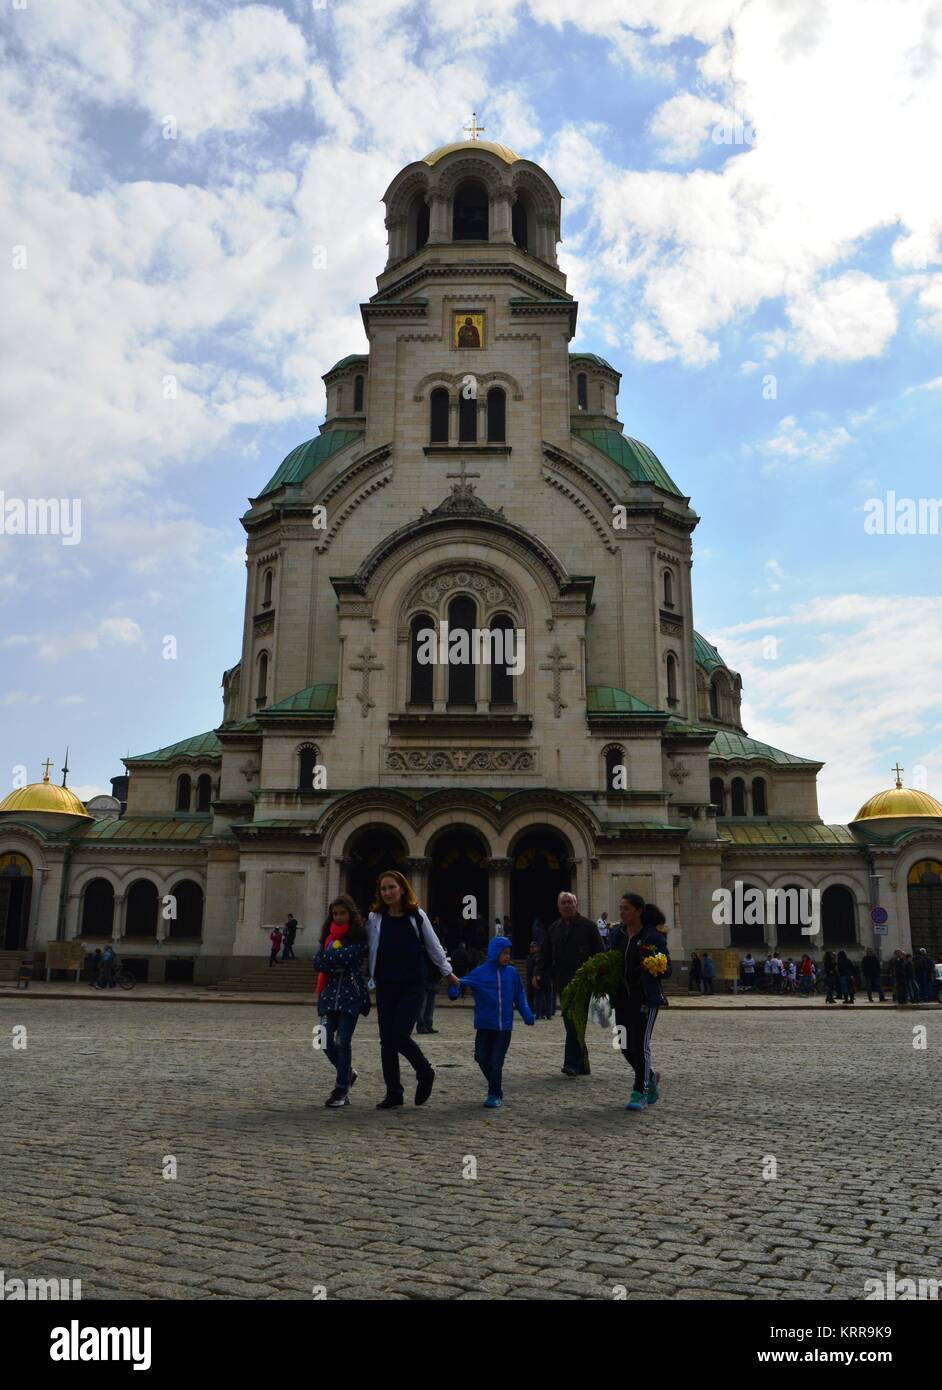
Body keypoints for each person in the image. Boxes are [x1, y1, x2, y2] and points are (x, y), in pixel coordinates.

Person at [367, 870, 458, 1109]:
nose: (387, 893)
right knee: (386, 1041)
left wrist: (448, 973)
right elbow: (366, 945)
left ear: (402, 889)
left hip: (412, 985)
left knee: (399, 1035)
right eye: (383, 889)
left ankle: (425, 1071)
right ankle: (394, 1092)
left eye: (391, 887)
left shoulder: (417, 916)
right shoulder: (375, 919)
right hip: (385, 984)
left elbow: (433, 945)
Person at [448, 935, 534, 1106]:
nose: (507, 956)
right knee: (480, 1056)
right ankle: (496, 1086)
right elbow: (461, 982)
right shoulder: (480, 972)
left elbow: (519, 994)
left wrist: (526, 1012)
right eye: (504, 953)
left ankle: (494, 1093)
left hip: (504, 1027)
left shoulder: (512, 973)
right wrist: (455, 989)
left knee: (496, 1061)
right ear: (495, 953)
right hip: (485, 1025)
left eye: (509, 953)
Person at [609, 897, 671, 1111]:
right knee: (623, 1044)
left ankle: (640, 1091)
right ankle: (651, 1076)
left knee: (640, 1044)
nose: (622, 912)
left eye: (626, 909)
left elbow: (668, 969)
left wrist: (657, 965)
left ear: (638, 911)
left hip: (644, 998)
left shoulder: (653, 936)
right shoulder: (617, 934)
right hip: (621, 997)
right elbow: (609, 959)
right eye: (621, 908)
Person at [533, 891, 603, 1076]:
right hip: (562, 982)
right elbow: (545, 954)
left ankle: (571, 1064)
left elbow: (600, 954)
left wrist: (598, 977)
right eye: (563, 903)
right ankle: (583, 1064)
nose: (566, 905)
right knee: (571, 1022)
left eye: (569, 902)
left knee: (573, 1021)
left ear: (576, 904)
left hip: (583, 982)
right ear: (558, 907)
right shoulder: (553, 928)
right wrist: (539, 973)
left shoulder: (589, 927)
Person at [313, 894, 369, 1107]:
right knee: (321, 1040)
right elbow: (317, 962)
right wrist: (334, 959)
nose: (338, 917)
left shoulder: (358, 936)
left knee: (342, 1042)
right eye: (335, 913)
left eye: (342, 913)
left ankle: (341, 1089)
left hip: (351, 997)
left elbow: (352, 957)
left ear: (350, 914)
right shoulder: (327, 937)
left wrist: (331, 959)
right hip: (328, 997)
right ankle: (348, 1073)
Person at [415, 939, 440, 1036]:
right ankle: (421, 1025)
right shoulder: (422, 951)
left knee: (430, 1004)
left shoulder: (435, 950)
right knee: (423, 1004)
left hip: (433, 977)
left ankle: (428, 1024)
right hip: (425, 978)